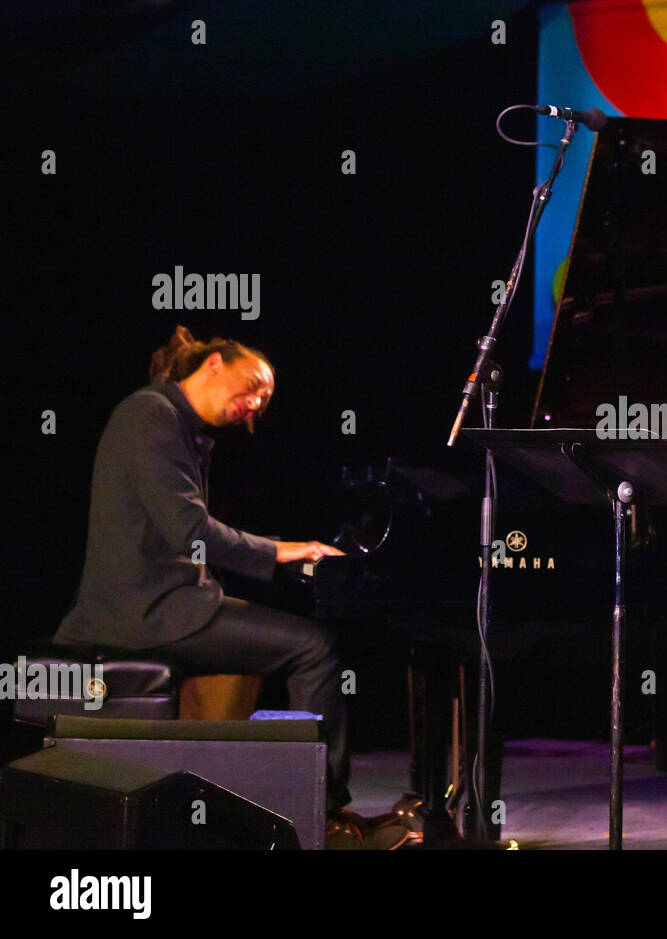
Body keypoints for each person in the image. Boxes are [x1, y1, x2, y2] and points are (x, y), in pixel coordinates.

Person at [55, 325, 407, 847]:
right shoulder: (151, 415)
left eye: (265, 399)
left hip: (167, 603)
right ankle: (325, 817)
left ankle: (253, 807)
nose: (256, 402)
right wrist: (283, 550)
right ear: (215, 363)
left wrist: (276, 558)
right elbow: (189, 530)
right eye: (254, 385)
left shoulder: (179, 425)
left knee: (284, 637)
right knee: (316, 647)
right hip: (145, 612)